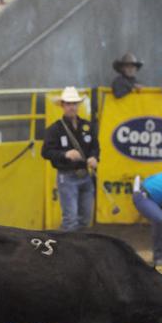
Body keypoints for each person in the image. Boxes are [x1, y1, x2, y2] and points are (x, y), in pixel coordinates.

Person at [41, 86, 99, 232]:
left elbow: (95, 146)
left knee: (85, 219)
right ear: (62, 106)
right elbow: (46, 152)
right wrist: (64, 155)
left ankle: (75, 247)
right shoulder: (55, 129)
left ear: (78, 105)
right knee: (70, 219)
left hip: (85, 175)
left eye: (74, 104)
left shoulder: (87, 126)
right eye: (68, 104)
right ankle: (64, 250)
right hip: (66, 177)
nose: (71, 107)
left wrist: (94, 157)